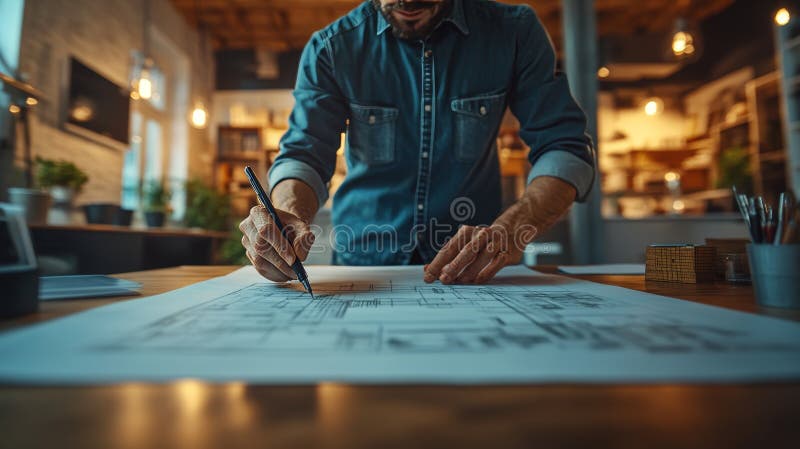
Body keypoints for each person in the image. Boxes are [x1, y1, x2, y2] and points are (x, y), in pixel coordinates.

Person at [239, 0, 595, 285]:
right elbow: (304, 154)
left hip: (475, 272)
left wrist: (511, 230)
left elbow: (564, 149)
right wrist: (287, 216)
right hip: (363, 268)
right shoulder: (332, 48)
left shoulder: (514, 33)